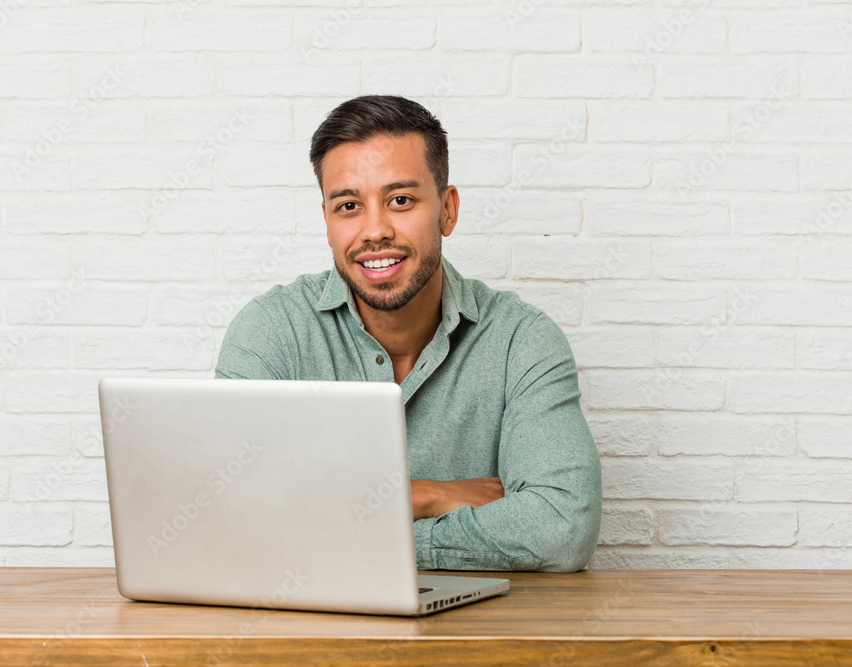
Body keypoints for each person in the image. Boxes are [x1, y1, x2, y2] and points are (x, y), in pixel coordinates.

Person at [214, 95, 601, 572]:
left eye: (400, 200)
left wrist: (332, 528)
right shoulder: (271, 333)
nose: (374, 231)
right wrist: (422, 497)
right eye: (349, 205)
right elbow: (234, 522)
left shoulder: (522, 342)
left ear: (447, 210)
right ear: (328, 223)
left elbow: (562, 530)